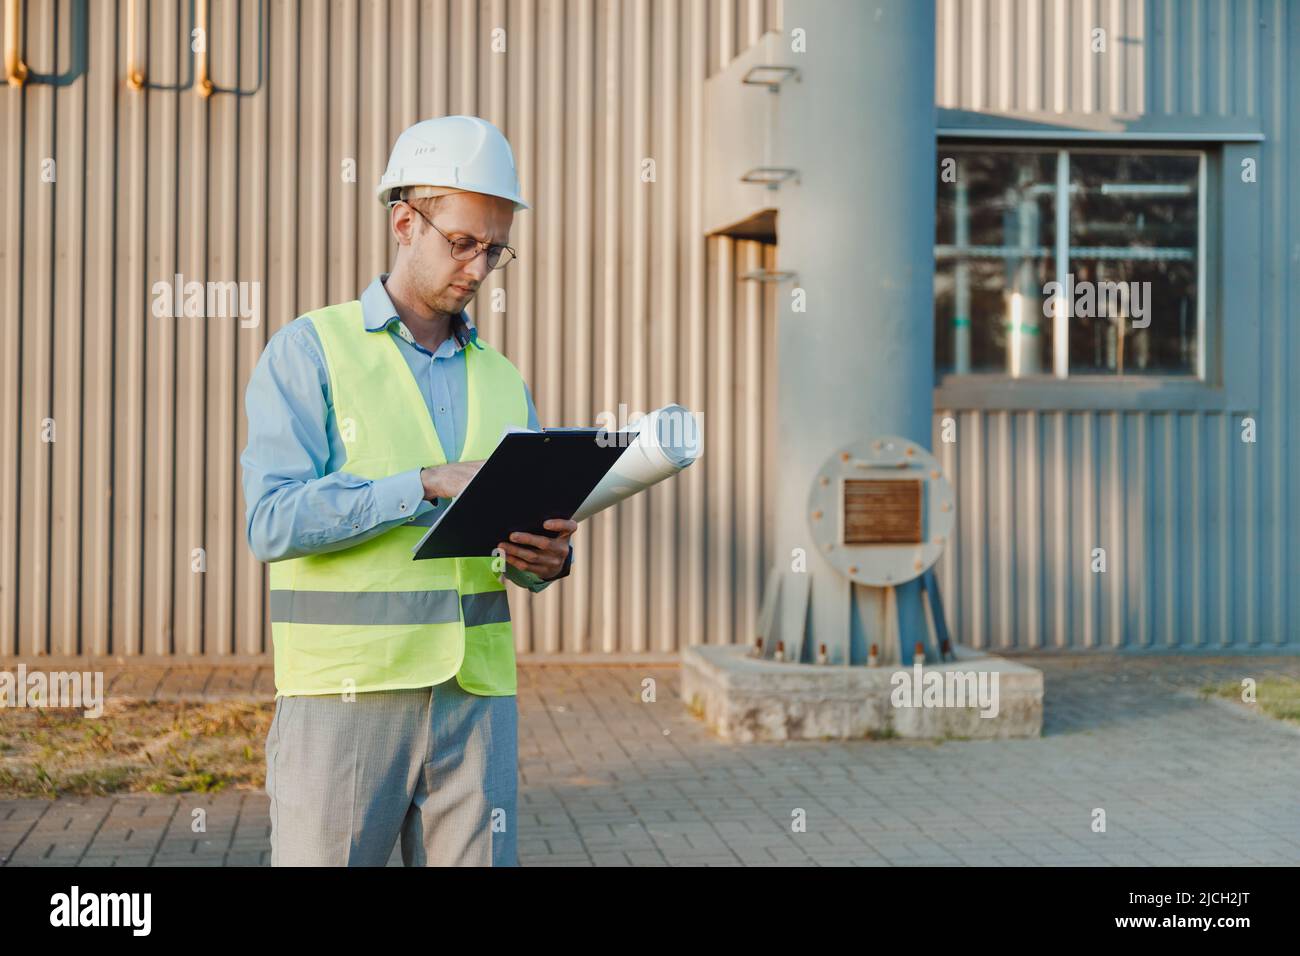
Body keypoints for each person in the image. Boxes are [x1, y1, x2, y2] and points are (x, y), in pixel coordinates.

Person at [240, 115, 575, 866]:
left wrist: (546, 559)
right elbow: (271, 521)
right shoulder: (309, 352)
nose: (480, 267)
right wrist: (421, 485)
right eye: (463, 242)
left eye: (495, 249)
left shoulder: (501, 376)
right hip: (346, 697)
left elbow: (515, 548)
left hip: (475, 703)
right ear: (403, 222)